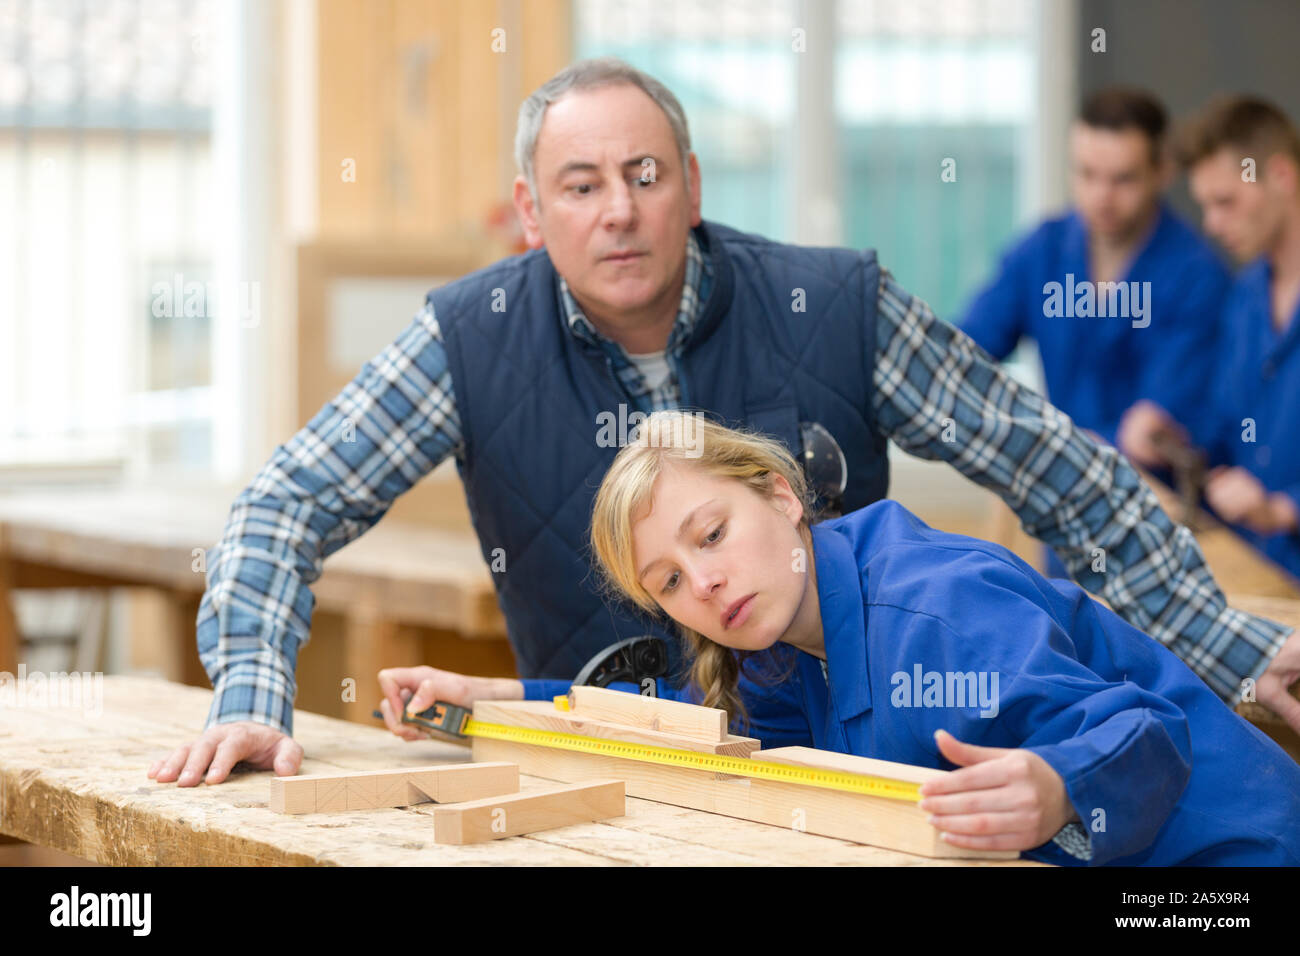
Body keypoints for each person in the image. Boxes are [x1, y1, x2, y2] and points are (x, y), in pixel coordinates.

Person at [147, 58, 1299, 789]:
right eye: (582, 183)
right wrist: (253, 698)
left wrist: (1225, 647)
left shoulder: (836, 304)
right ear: (530, 212)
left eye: (644, 173)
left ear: (691, 183)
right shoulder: (463, 337)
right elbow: (284, 501)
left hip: (861, 796)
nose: (619, 210)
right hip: (613, 788)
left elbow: (1063, 469)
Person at [583, 411, 1300, 865]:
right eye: (668, 582)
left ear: (780, 494)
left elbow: (1148, 733)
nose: (703, 582)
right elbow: (680, 722)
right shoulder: (774, 645)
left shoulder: (939, 613)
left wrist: (1060, 786)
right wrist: (524, 698)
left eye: (711, 535)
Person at [960, 87, 1230, 466]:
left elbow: (1159, 423)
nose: (1102, 196)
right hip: (1053, 482)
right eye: (1087, 174)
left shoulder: (1197, 276)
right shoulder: (1042, 251)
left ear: (1162, 171)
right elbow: (964, 350)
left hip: (1154, 497)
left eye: (1123, 179)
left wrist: (1054, 445)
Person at [1140, 95, 1300, 580]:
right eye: (1205, 205)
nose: (1211, 224)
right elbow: (1228, 427)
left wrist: (1282, 509)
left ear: (1280, 176)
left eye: (1226, 201)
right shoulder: (1246, 296)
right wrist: (1171, 437)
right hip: (1262, 578)